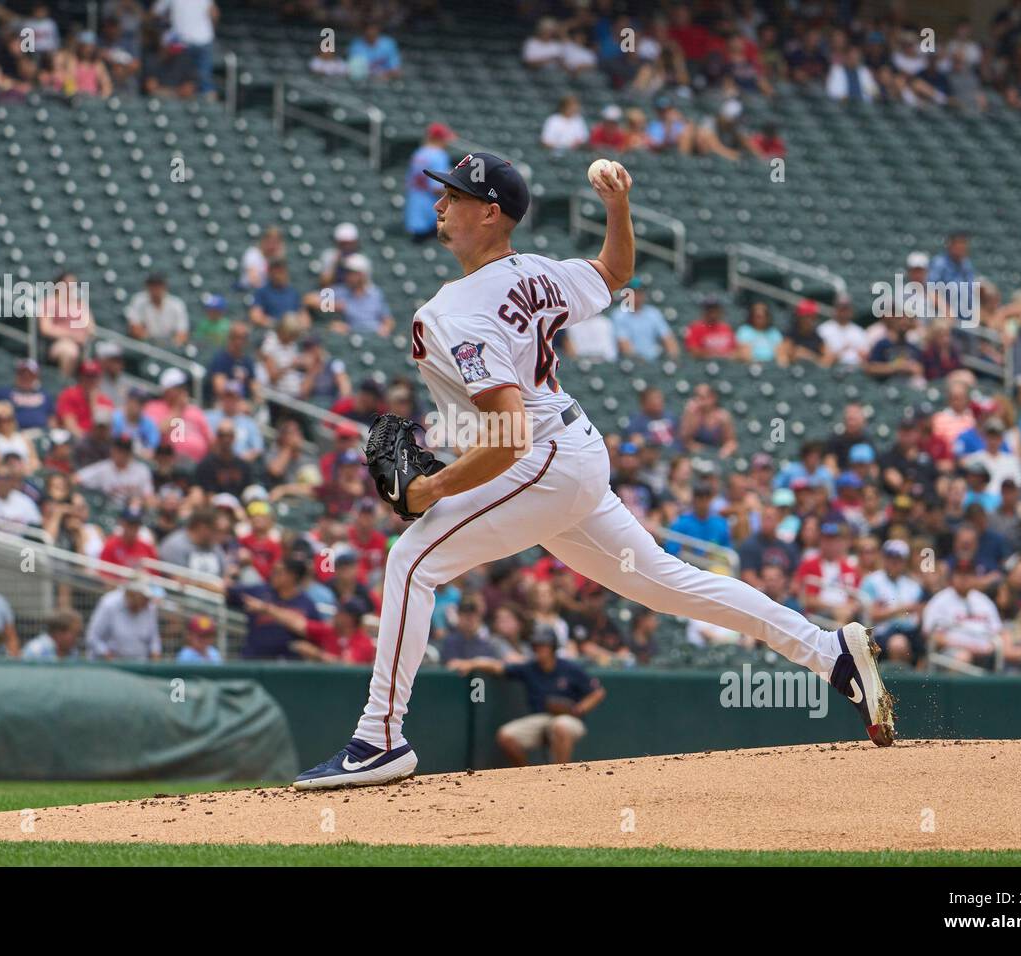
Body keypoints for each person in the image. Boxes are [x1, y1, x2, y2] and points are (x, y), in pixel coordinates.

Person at [293, 152, 894, 791]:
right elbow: (615, 271)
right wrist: (617, 207)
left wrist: (433, 487)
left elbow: (509, 434)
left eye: (455, 196)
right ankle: (829, 654)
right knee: (665, 581)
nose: (439, 203)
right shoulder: (541, 274)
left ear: (491, 213)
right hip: (568, 454)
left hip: (540, 459)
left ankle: (378, 738)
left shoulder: (454, 312)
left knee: (411, 561)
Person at [451, 628, 606, 766]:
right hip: (541, 717)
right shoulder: (530, 668)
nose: (539, 649)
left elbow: (598, 692)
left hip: (569, 718)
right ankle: (528, 775)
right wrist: (473, 663)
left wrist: (578, 709)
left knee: (561, 726)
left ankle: (561, 775)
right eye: (536, 646)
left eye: (543, 645)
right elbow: (498, 667)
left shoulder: (569, 668)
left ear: (553, 647)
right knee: (506, 736)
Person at [86, 580, 162, 661]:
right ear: (131, 594)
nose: (147, 602)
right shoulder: (109, 604)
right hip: (107, 666)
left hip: (139, 664)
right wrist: (106, 653)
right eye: (143, 598)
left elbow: (154, 640)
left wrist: (155, 655)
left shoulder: (149, 607)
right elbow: (92, 637)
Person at [404, 123, 455, 242]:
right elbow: (437, 188)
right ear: (438, 139)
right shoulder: (438, 155)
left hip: (414, 212)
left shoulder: (419, 153)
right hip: (431, 215)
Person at [125, 273, 189, 348]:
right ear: (147, 286)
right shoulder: (138, 300)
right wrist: (152, 342)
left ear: (164, 286)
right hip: (145, 345)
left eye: (158, 285)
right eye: (152, 285)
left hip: (170, 346)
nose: (155, 289)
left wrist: (171, 345)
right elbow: (135, 329)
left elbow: (182, 334)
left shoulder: (176, 304)